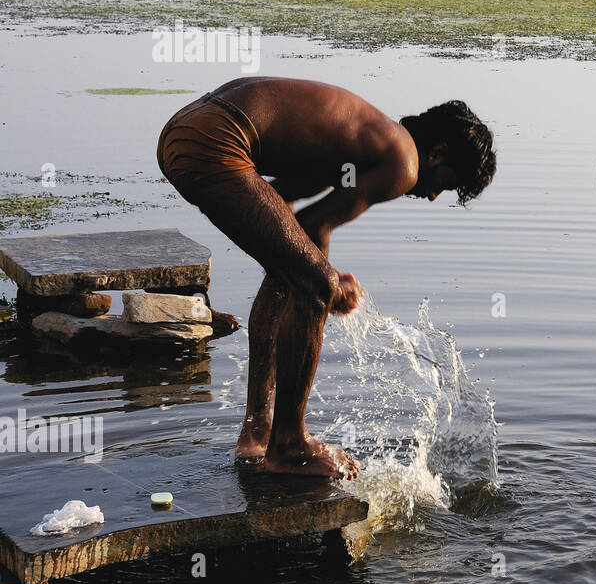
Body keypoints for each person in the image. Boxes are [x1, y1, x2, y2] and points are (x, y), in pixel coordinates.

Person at [156, 78, 496, 478]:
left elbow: (296, 218)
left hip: (183, 131)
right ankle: (289, 445)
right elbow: (312, 229)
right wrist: (329, 282)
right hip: (216, 140)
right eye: (447, 184)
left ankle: (258, 430)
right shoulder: (404, 160)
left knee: (297, 275)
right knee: (314, 282)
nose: (435, 196)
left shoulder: (350, 144)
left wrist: (318, 272)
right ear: (438, 152)